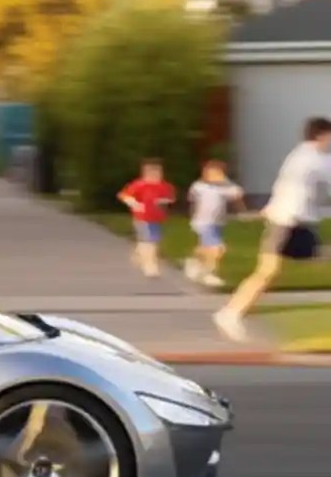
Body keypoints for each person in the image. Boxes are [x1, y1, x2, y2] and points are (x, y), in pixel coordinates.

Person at [215, 117, 331, 341]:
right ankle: (229, 313)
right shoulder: (315, 159)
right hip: (287, 223)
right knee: (267, 271)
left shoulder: (299, 155)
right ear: (321, 135)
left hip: (290, 221)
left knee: (277, 268)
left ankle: (231, 313)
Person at [184, 160, 247, 288]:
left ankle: (194, 263)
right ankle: (209, 273)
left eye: (218, 173)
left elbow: (238, 194)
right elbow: (192, 202)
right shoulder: (199, 186)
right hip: (203, 223)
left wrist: (225, 182)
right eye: (211, 173)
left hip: (217, 222)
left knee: (206, 248)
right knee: (217, 248)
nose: (214, 176)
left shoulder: (225, 188)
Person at [118, 158, 176, 278]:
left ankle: (140, 253)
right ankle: (150, 265)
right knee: (148, 241)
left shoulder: (164, 186)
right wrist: (135, 204)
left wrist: (164, 201)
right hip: (142, 218)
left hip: (156, 218)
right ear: (144, 173)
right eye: (151, 172)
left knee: (153, 241)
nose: (155, 175)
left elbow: (170, 198)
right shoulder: (139, 185)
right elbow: (124, 195)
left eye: (158, 172)